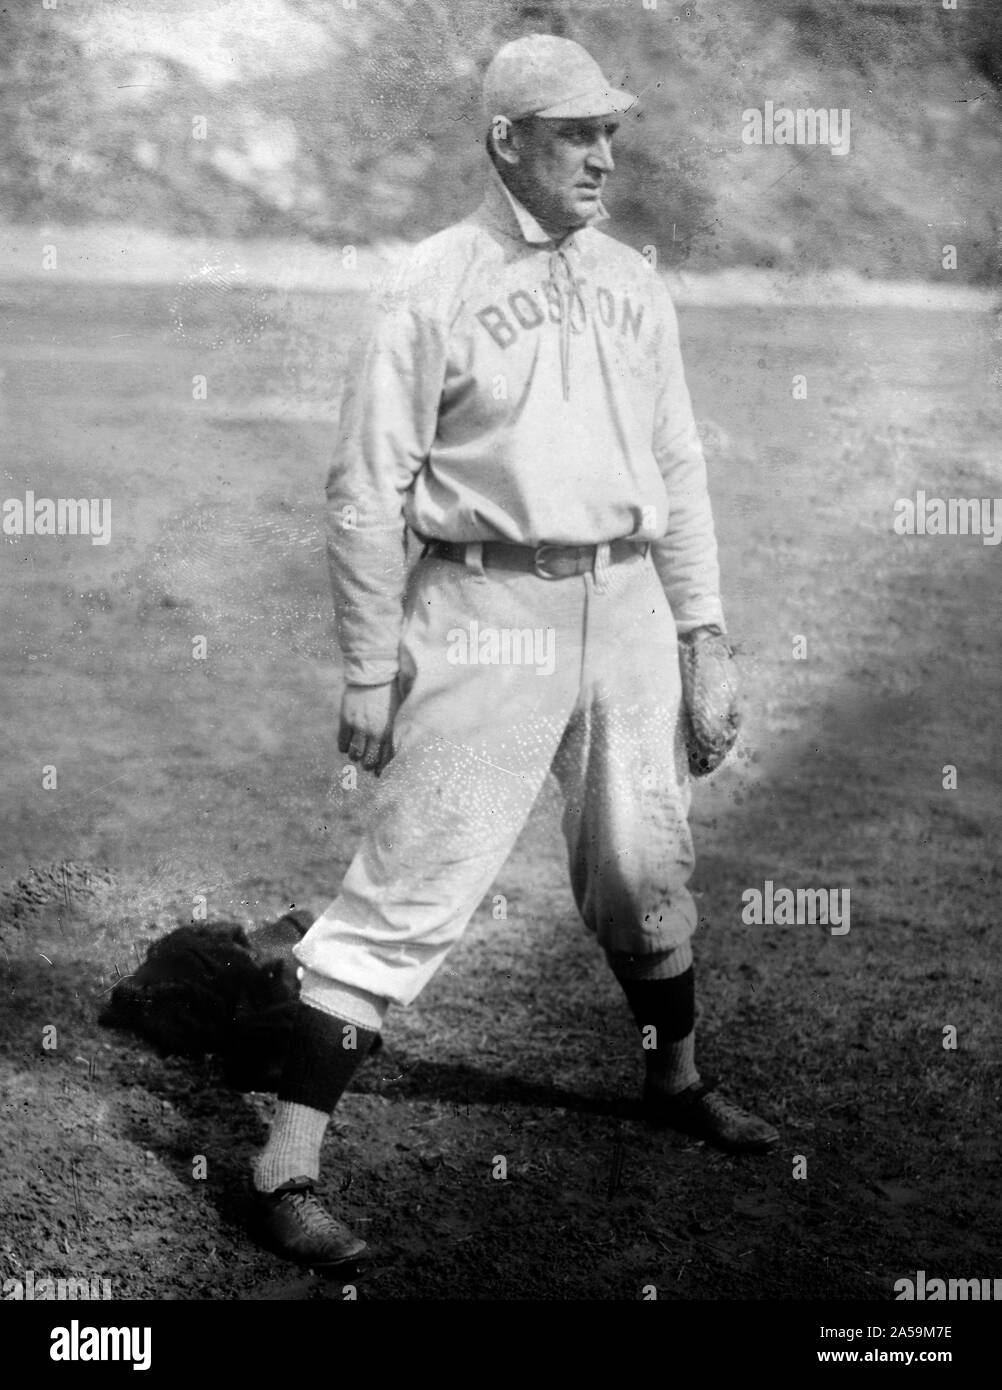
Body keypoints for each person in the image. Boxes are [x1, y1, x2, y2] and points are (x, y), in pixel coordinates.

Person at [252, 32, 778, 1272]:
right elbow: (364, 488)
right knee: (417, 877)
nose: (601, 155)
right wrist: (371, 666)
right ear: (507, 142)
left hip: (629, 609)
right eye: (572, 133)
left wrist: (706, 635)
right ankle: (280, 1166)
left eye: (610, 133)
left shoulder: (636, 284)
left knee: (643, 861)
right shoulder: (430, 280)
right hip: (487, 610)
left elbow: (681, 469)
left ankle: (676, 1078)